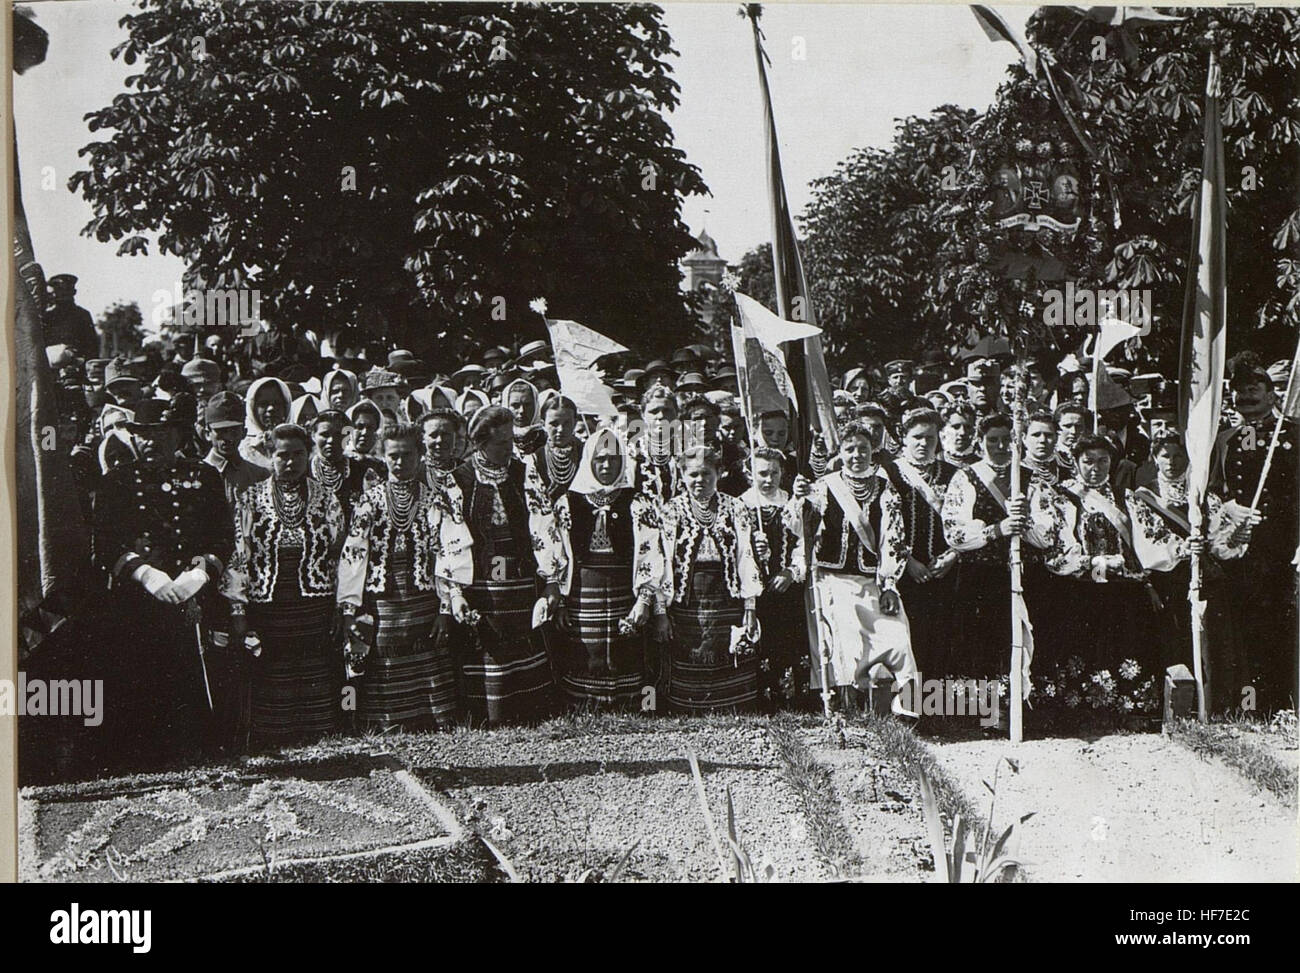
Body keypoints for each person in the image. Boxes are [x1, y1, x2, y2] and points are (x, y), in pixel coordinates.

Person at [91, 399, 234, 768]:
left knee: (195, 684)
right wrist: (145, 574)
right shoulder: (115, 482)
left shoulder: (204, 477)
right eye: (142, 435)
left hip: (192, 598)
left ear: (178, 436)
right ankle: (142, 758)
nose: (151, 443)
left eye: (161, 434)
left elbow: (221, 538)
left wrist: (200, 573)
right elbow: (105, 545)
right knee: (141, 683)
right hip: (138, 602)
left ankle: (201, 750)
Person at [337, 424, 474, 730]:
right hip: (382, 601)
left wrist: (444, 608)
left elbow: (447, 554)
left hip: (424, 599)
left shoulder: (436, 499)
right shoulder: (369, 501)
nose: (400, 463)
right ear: (383, 457)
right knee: (384, 658)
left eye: (408, 455)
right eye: (393, 456)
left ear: (420, 455)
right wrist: (350, 608)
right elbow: (355, 554)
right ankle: (387, 724)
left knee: (429, 657)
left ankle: (434, 721)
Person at [222, 424, 346, 749]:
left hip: (314, 603)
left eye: (298, 454)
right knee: (274, 669)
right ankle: (274, 737)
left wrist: (340, 607)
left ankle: (317, 735)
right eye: (282, 455)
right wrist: (238, 609)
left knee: (312, 668)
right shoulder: (250, 499)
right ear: (269, 456)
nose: (290, 462)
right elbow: (239, 556)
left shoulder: (327, 499)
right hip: (269, 604)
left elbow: (341, 557)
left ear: (309, 455)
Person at [786, 420, 918, 715]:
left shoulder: (886, 490)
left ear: (873, 452)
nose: (856, 455)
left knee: (895, 636)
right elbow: (798, 529)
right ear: (840, 452)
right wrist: (799, 499)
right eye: (850, 449)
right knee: (847, 645)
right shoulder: (823, 487)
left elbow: (893, 539)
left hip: (872, 581)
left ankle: (901, 706)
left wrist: (889, 585)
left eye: (863, 449)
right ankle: (849, 709)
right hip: (832, 580)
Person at [450, 405, 567, 724]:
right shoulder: (459, 479)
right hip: (480, 583)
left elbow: (543, 525)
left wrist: (551, 579)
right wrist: (455, 591)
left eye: (510, 442)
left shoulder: (523, 472)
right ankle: (489, 716)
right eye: (501, 443)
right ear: (480, 442)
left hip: (520, 578)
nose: (509, 449)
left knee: (525, 645)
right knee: (488, 647)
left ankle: (532, 714)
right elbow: (453, 538)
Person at [1128, 433, 1248, 710]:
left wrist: (1234, 538)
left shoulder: (1205, 496)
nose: (1172, 462)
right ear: (1155, 458)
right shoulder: (1143, 497)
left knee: (1215, 641)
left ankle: (1218, 705)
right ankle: (1182, 707)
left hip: (1206, 578)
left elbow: (1221, 542)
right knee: (1176, 639)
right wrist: (1183, 548)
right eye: (1166, 455)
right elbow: (1147, 542)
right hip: (1170, 580)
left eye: (1179, 455)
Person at [553, 426, 665, 708]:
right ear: (588, 460)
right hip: (582, 589)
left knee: (624, 645)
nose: (606, 465)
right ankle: (584, 707)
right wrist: (562, 601)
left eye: (614, 459)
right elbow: (559, 555)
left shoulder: (638, 503)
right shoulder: (568, 503)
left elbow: (650, 552)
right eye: (599, 459)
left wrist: (644, 599)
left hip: (622, 588)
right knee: (584, 648)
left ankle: (630, 706)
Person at [1211, 363, 1299, 711]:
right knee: (1245, 626)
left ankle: (1285, 703)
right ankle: (1252, 706)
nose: (1245, 396)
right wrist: (1230, 507)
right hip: (1239, 548)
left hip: (1283, 546)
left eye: (1253, 389)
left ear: (1272, 393)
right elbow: (1212, 491)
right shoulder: (1224, 440)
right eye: (1239, 390)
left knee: (1282, 623)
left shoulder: (1292, 434)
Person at [1030, 434, 1156, 675]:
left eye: (1103, 461)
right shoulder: (1062, 497)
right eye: (1088, 461)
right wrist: (1094, 562)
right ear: (1076, 463)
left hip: (1121, 588)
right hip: (1078, 589)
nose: (1095, 468)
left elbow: (1152, 538)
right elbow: (1056, 548)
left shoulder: (1125, 497)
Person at [659, 446, 764, 712]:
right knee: (689, 654)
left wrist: (750, 606)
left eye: (707, 473)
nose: (700, 480)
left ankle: (733, 708)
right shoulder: (671, 510)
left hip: (726, 594)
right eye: (693, 474)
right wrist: (661, 610)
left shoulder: (735, 507)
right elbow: (662, 562)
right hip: (687, 598)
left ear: (719, 473)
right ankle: (689, 708)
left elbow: (745, 555)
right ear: (682, 475)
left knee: (728, 650)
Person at [941, 413, 1034, 678]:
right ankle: (983, 710)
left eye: (1007, 440)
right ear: (981, 442)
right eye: (993, 440)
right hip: (981, 575)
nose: (1001, 447)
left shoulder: (1030, 478)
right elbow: (953, 532)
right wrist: (996, 530)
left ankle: (1018, 705)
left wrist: (1028, 520)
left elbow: (1049, 533)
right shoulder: (966, 477)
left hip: (1024, 573)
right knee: (980, 643)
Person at [883, 408, 959, 677]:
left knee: (941, 639)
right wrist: (907, 561)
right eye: (916, 437)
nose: (923, 443)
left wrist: (952, 555)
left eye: (930, 437)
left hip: (944, 570)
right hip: (905, 572)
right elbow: (883, 526)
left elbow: (966, 522)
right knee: (907, 640)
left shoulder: (954, 475)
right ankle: (909, 705)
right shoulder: (888, 473)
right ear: (904, 438)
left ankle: (939, 709)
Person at [742, 447, 805, 707]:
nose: (768, 480)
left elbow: (804, 543)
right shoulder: (742, 505)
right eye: (762, 474)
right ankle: (761, 700)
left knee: (789, 640)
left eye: (774, 473)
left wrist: (792, 571)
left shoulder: (792, 504)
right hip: (756, 591)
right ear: (750, 475)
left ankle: (792, 699)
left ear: (783, 473)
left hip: (788, 588)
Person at [310, 410, 385, 526]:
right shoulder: (304, 470)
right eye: (325, 435)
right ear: (313, 435)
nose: (331, 441)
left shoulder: (362, 470)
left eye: (338, 435)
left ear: (348, 437)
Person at [201, 391, 270, 506]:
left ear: (244, 432)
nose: (228, 437)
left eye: (234, 431)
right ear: (207, 434)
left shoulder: (259, 475)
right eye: (221, 431)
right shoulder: (197, 474)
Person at [632, 385, 683, 505]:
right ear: (643, 415)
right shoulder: (632, 451)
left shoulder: (688, 449)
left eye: (667, 411)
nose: (660, 416)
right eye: (653, 411)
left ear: (677, 414)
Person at [532, 394, 582, 501]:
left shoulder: (586, 453)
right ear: (543, 424)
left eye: (567, 423)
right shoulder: (535, 458)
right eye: (554, 424)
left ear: (575, 423)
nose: (560, 429)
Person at [240, 376, 292, 470]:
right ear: (253, 408)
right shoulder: (244, 449)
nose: (271, 409)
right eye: (263, 404)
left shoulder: (297, 442)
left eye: (277, 403)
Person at [44, 273, 100, 360]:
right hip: (50, 369)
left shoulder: (82, 315)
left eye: (65, 293)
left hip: (76, 368)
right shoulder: (47, 316)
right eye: (57, 292)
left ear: (73, 292)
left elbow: (92, 348)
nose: (59, 296)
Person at [939, 401, 978, 466]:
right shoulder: (935, 461)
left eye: (968, 427)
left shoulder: (981, 463)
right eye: (956, 427)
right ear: (944, 430)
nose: (962, 432)